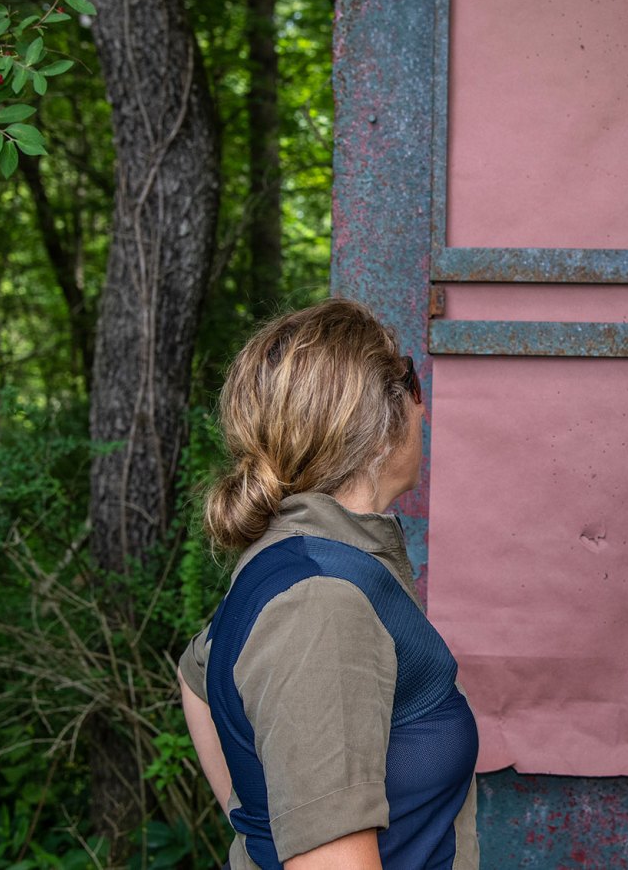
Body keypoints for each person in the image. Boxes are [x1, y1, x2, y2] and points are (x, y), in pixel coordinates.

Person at [177, 298, 479, 870]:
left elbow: (195, 679)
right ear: (379, 430)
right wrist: (271, 837)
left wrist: (263, 829)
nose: (425, 408)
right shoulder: (321, 601)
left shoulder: (304, 558)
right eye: (412, 383)